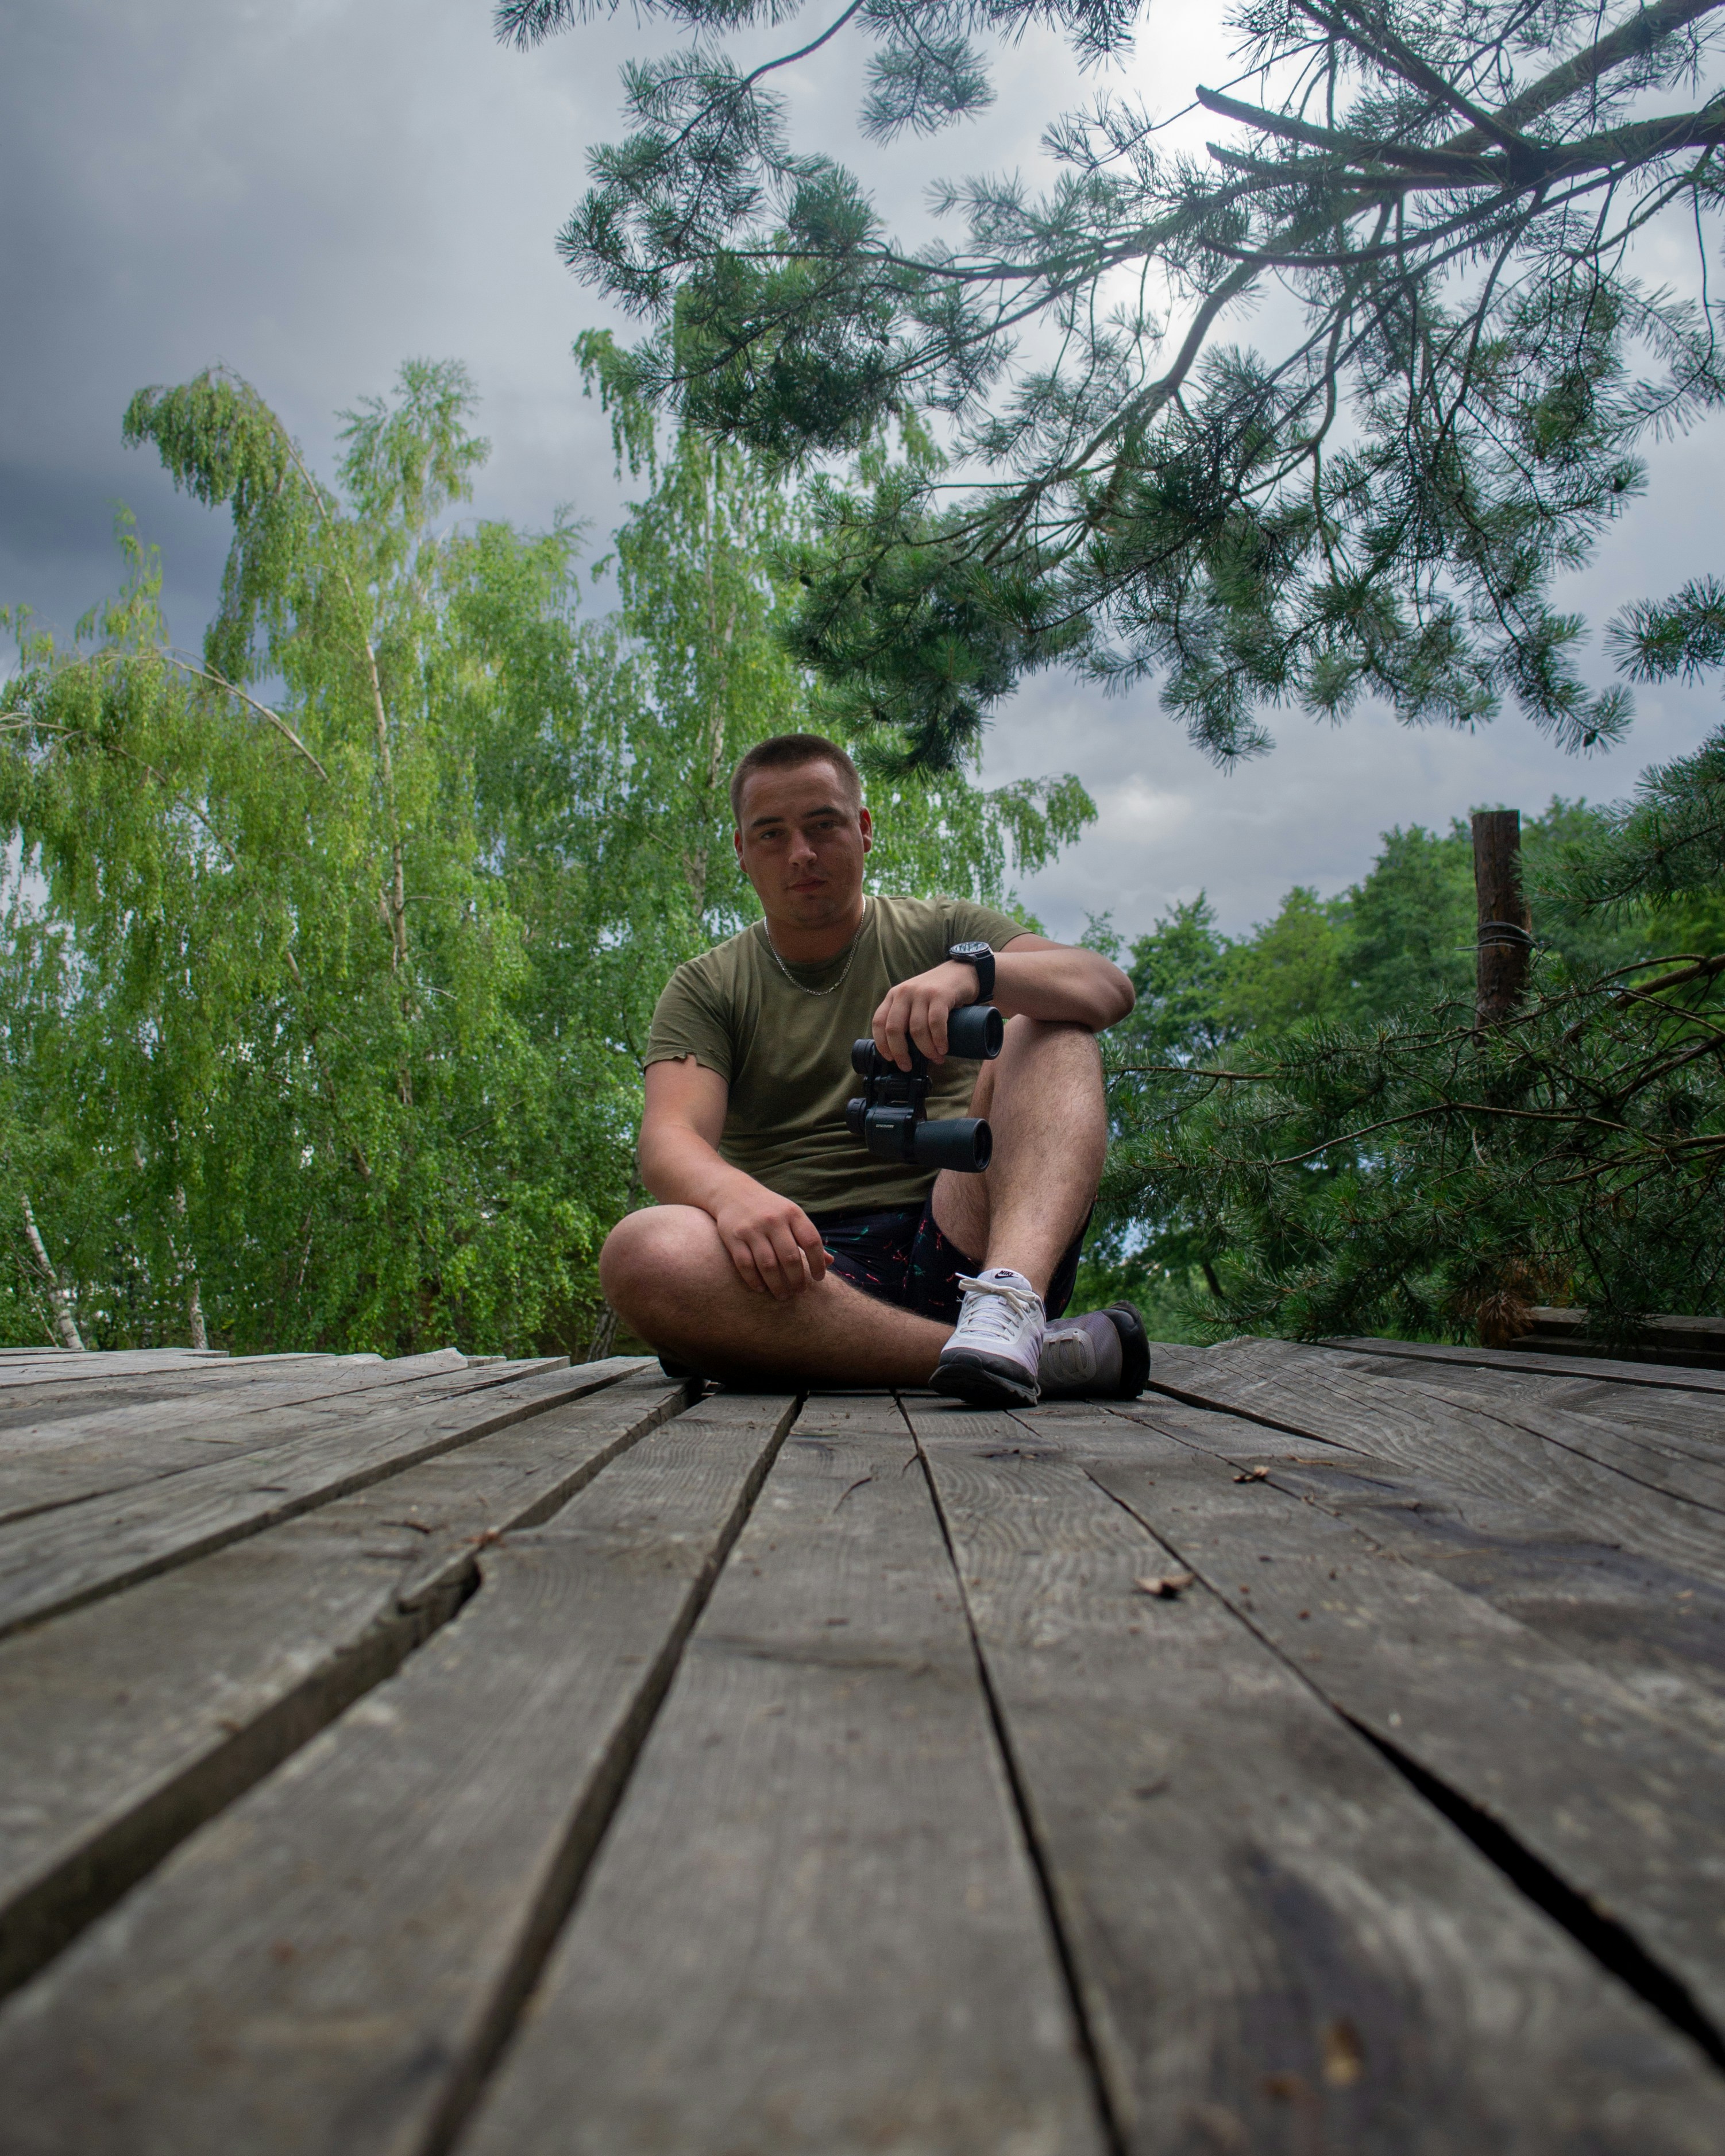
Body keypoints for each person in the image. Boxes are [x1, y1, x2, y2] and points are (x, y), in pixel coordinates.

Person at [600, 732, 1145, 1404]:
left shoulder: (942, 930)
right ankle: (1028, 1358)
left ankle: (1007, 1313)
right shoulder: (707, 987)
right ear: (742, 853)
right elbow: (669, 1139)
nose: (800, 853)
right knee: (643, 1251)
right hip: (801, 1273)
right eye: (771, 834)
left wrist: (974, 973)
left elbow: (1105, 986)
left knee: (1055, 1021)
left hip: (967, 1242)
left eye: (822, 825)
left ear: (863, 830)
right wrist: (731, 1196)